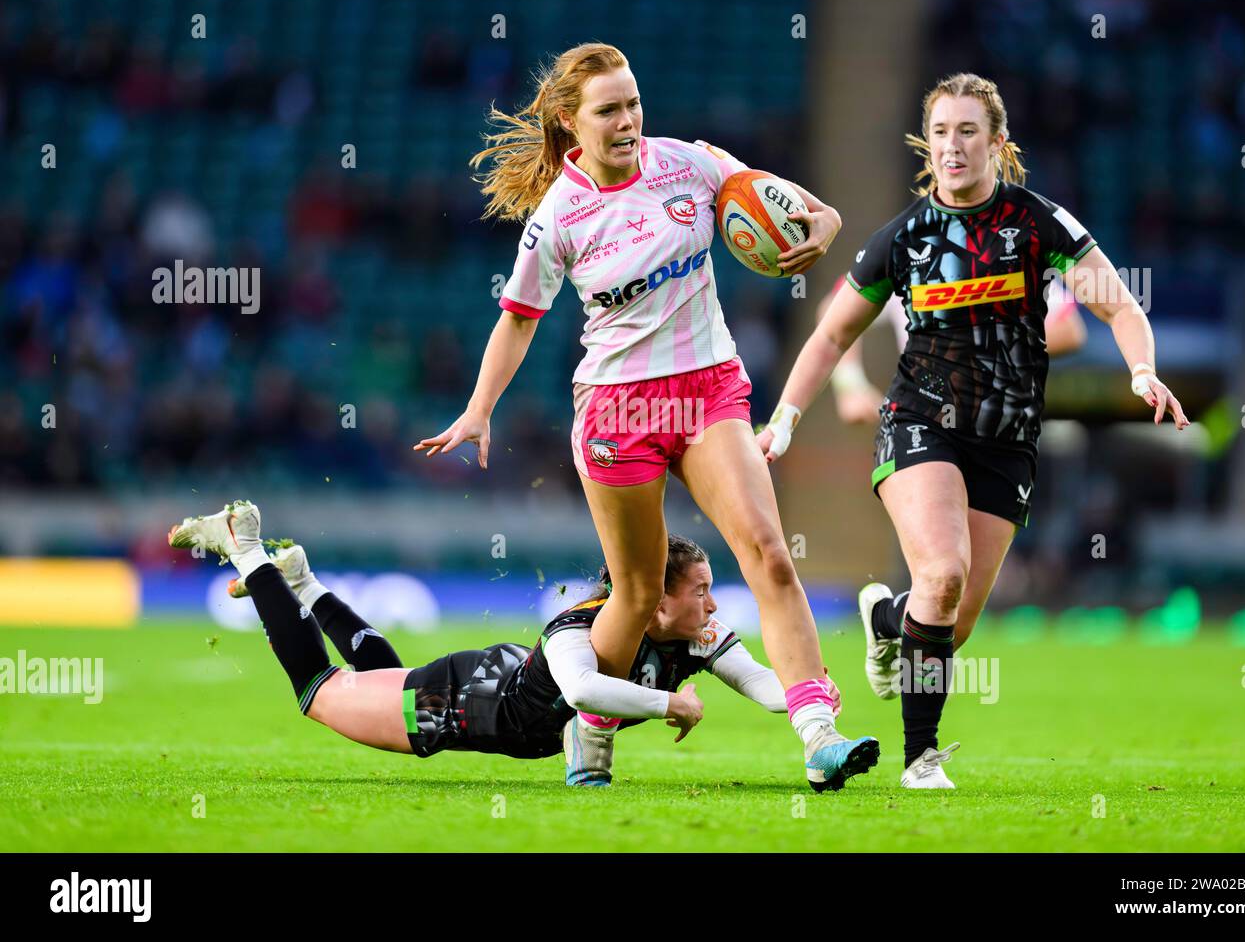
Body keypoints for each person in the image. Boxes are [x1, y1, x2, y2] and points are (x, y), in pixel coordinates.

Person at [411, 42, 877, 791]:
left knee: (768, 550)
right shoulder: (559, 214)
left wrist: (819, 230)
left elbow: (813, 211)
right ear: (570, 121)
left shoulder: (690, 162)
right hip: (616, 408)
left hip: (707, 389)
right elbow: (520, 318)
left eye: (633, 103)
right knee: (633, 593)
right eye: (609, 110)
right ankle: (593, 727)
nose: (628, 120)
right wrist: (478, 408)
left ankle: (819, 736)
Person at [759, 73, 1189, 789]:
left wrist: (1141, 371)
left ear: (997, 141)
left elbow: (1117, 307)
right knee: (943, 573)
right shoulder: (902, 239)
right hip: (920, 420)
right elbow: (831, 336)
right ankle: (921, 760)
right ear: (926, 147)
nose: (953, 146)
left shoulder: (1039, 222)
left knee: (947, 623)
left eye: (967, 132)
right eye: (940, 133)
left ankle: (888, 621)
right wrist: (784, 418)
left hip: (1010, 437)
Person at [167, 502, 860, 790]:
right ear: (657, 595)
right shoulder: (578, 626)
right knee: (317, 693)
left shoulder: (694, 635)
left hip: (481, 687)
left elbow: (760, 681)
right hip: (463, 703)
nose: (713, 604)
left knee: (383, 677)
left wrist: (804, 699)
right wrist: (665, 703)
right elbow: (583, 692)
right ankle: (247, 547)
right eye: (701, 590)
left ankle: (304, 582)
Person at [824, 277, 1088, 428]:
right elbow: (834, 308)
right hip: (925, 418)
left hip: (997, 422)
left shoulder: (1012, 255)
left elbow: (1071, 330)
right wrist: (851, 384)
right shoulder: (908, 255)